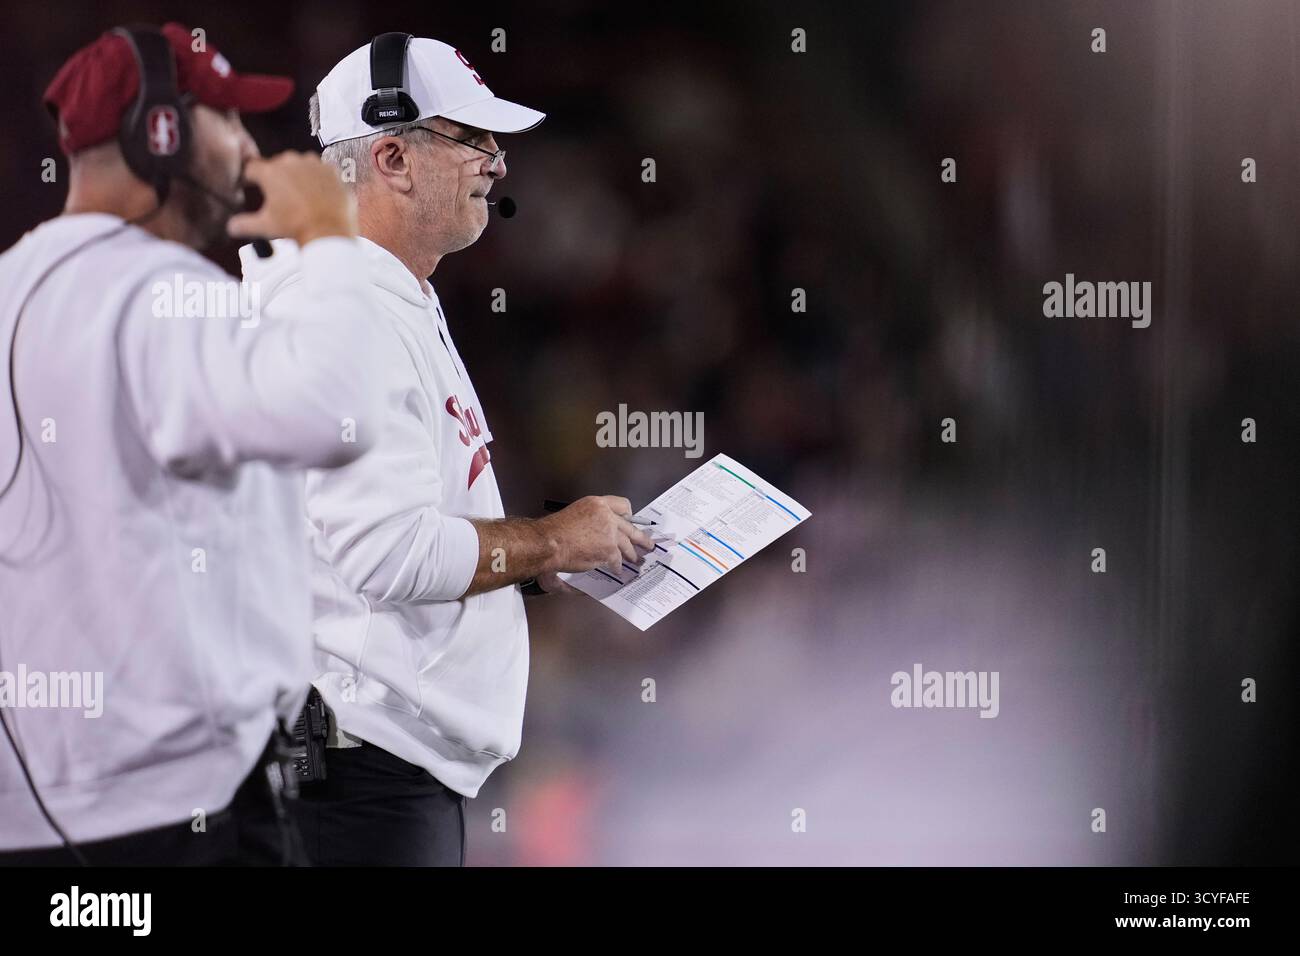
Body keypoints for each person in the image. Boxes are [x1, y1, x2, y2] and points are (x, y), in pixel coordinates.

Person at [240, 33, 653, 866]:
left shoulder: (377, 291)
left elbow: (386, 536)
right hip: (356, 785)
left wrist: (530, 564)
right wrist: (551, 537)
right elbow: (389, 554)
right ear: (391, 156)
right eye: (473, 139)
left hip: (369, 776)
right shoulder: (342, 303)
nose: (497, 164)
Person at [0, 23, 383, 865]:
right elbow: (342, 413)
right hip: (184, 810)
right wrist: (330, 236)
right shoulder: (162, 291)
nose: (249, 146)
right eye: (229, 119)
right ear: (160, 131)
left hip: (29, 820)